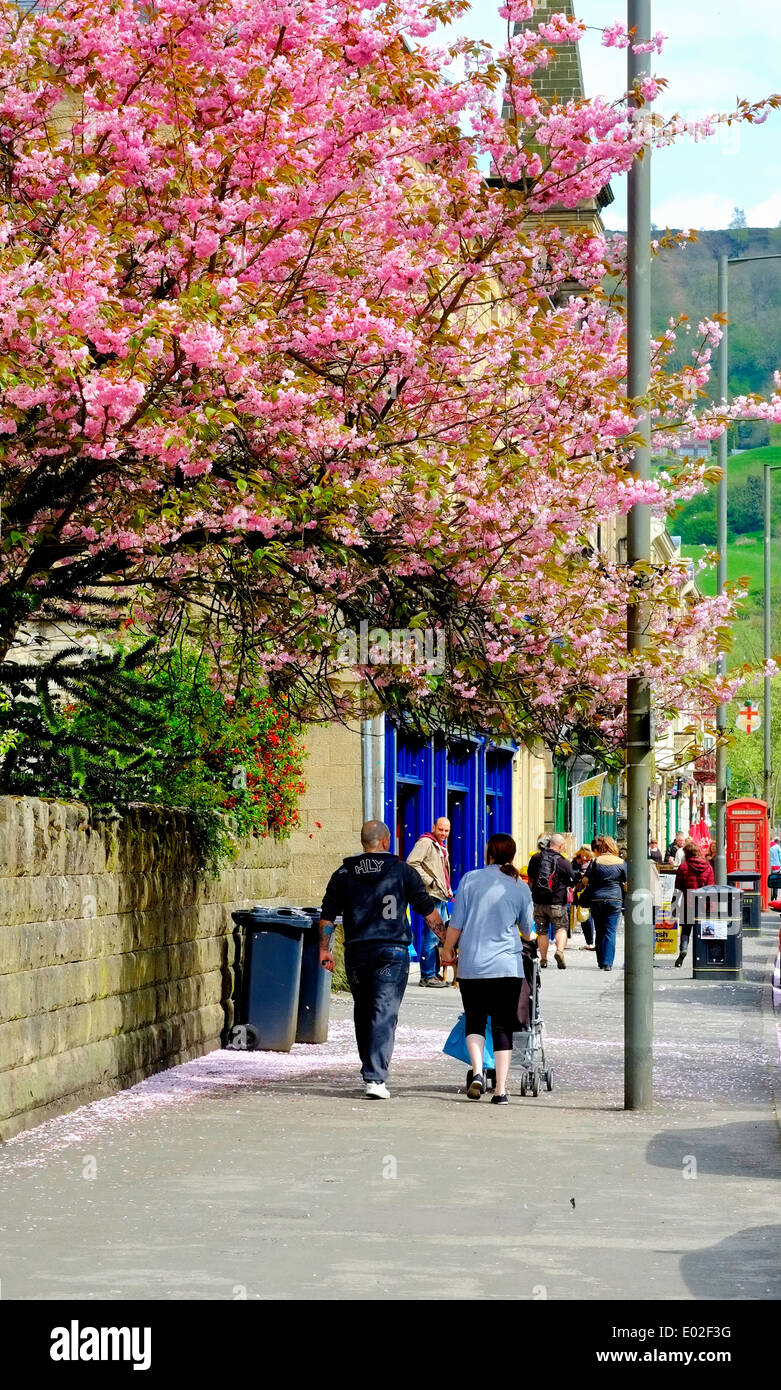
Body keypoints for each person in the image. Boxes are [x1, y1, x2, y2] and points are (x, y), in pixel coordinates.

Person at [319, 820, 443, 1099]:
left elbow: (327, 915)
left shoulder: (343, 873)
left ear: (364, 842)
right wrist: (447, 942)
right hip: (392, 950)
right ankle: (375, 1077)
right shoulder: (402, 872)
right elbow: (427, 910)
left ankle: (370, 1071)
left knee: (364, 1010)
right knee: (383, 1010)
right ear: (386, 842)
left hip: (357, 951)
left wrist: (323, 949)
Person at [440, 833, 534, 1105]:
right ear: (512, 856)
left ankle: (479, 1072)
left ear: (489, 854)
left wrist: (448, 950)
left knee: (475, 1020)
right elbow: (527, 930)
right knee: (504, 1026)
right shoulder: (519, 887)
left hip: (473, 966)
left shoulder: (470, 880)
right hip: (507, 967)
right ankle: (501, 1090)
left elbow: (456, 923)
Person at [406, 816, 452, 988]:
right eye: (440, 829)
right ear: (434, 827)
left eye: (446, 830)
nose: (443, 833)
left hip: (440, 895)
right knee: (431, 936)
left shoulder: (440, 845)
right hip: (431, 895)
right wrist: (430, 882)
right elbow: (411, 863)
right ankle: (427, 975)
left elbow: (440, 871)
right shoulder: (426, 842)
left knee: (438, 935)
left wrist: (445, 887)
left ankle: (433, 972)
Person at [526, 832, 577, 969]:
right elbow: (572, 880)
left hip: (539, 902)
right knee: (560, 928)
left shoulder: (536, 858)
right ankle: (559, 951)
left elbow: (530, 877)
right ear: (560, 846)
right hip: (557, 903)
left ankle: (543, 959)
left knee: (542, 931)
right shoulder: (563, 862)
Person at [581, 835, 627, 971]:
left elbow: (585, 881)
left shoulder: (595, 861)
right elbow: (626, 883)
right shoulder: (621, 862)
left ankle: (601, 961)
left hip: (597, 899)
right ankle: (607, 963)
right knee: (610, 931)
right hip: (614, 899)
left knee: (599, 930)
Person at [674, 838, 715, 967]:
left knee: (686, 929)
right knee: (705, 930)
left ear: (686, 853)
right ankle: (704, 955)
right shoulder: (708, 866)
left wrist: (674, 905)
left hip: (688, 903)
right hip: (704, 905)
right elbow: (711, 887)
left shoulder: (683, 867)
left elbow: (678, 887)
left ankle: (684, 949)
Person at [571, 845, 596, 949]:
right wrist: (579, 874)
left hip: (591, 891)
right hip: (580, 892)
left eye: (587, 856)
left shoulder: (594, 862)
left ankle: (591, 942)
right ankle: (589, 941)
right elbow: (571, 872)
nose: (585, 858)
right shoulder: (575, 861)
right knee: (583, 917)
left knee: (588, 917)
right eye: (583, 856)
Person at [769, 837, 781, 904]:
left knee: (770, 882)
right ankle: (775, 896)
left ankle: (770, 897)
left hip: (769, 866)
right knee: (775, 882)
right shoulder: (777, 847)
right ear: (778, 841)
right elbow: (780, 856)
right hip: (776, 866)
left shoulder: (770, 847)